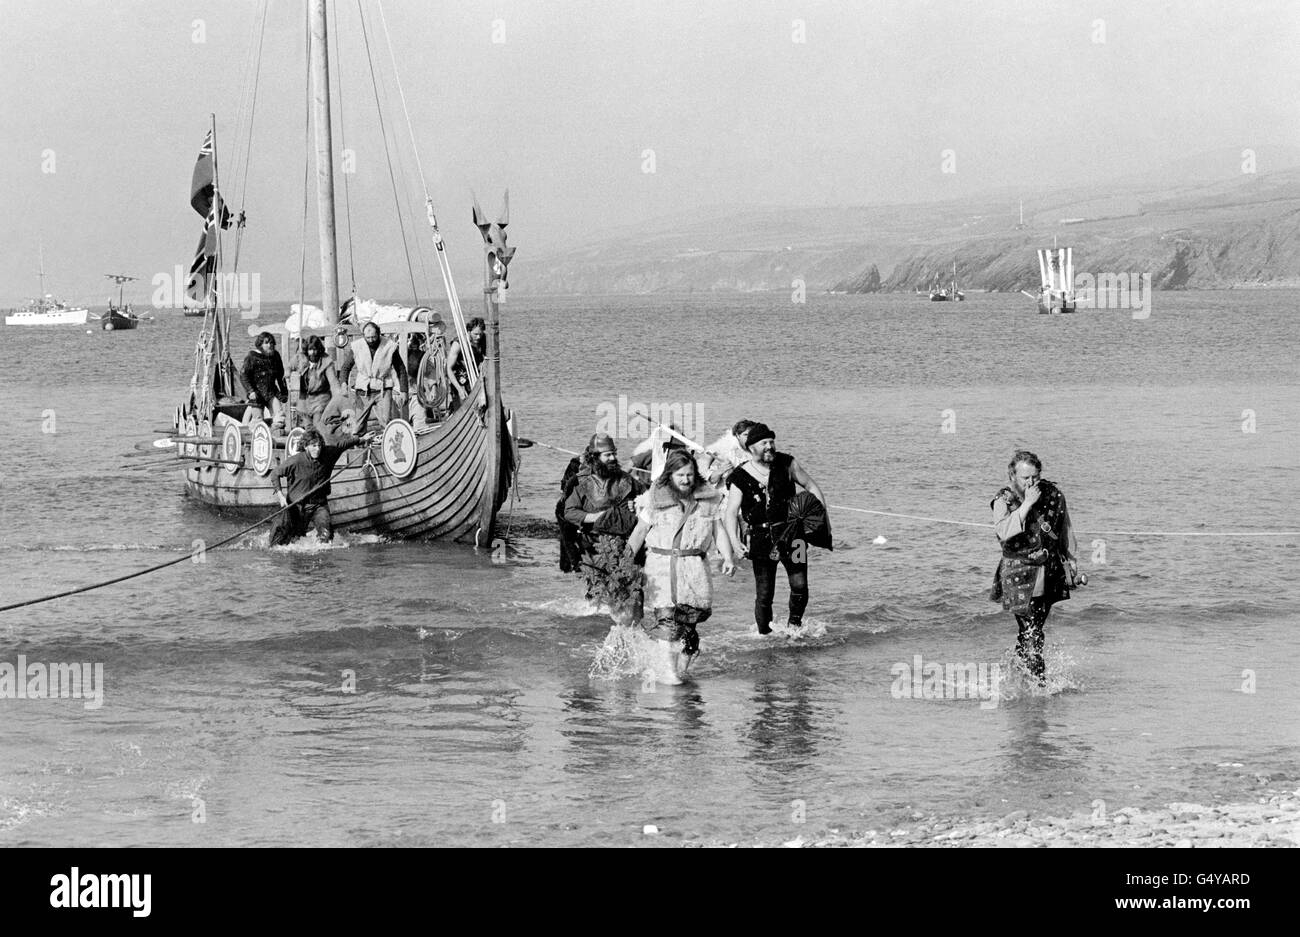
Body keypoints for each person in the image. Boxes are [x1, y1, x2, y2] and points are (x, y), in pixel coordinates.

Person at [627, 449, 737, 684]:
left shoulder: (708, 500)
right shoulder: (654, 500)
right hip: (662, 568)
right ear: (670, 476)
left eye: (689, 475)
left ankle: (682, 669)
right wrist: (624, 561)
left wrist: (728, 558)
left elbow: (719, 531)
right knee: (667, 619)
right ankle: (668, 672)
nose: (686, 480)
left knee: (689, 628)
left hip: (695, 570)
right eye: (680, 475)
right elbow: (639, 533)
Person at [724, 423, 830, 634]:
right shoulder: (739, 476)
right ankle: (764, 634)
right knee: (764, 594)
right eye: (764, 443)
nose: (770, 446)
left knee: (800, 586)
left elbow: (810, 485)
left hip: (794, 536)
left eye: (771, 442)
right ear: (751, 447)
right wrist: (735, 543)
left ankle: (794, 627)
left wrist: (820, 515)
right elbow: (730, 513)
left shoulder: (787, 463)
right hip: (761, 539)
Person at [990, 449, 1083, 684]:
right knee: (1031, 629)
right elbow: (1003, 531)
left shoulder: (1053, 494)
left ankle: (1019, 674)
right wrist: (1027, 504)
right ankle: (1040, 685)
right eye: (1025, 478)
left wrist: (1071, 560)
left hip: (1048, 570)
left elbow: (1064, 527)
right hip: (1018, 573)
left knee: (1033, 629)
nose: (1031, 482)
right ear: (1012, 476)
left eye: (1034, 477)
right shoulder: (1004, 500)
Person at [562, 433, 647, 620]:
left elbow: (648, 502)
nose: (613, 458)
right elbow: (569, 512)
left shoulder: (627, 480)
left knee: (632, 588)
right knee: (599, 591)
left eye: (614, 454)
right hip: (595, 545)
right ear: (595, 457)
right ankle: (596, 626)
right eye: (607, 455)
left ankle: (633, 627)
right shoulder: (580, 483)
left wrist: (637, 505)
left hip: (628, 543)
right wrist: (596, 516)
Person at [268, 427, 374, 546]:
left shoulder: (328, 453)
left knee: (326, 536)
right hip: (297, 506)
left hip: (319, 505)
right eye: (313, 446)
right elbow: (275, 474)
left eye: (319, 445)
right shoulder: (295, 461)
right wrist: (280, 496)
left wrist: (361, 439)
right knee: (292, 539)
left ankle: (322, 558)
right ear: (306, 446)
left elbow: (343, 445)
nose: (317, 449)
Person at [349, 321, 407, 432]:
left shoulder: (390, 346)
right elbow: (346, 368)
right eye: (368, 338)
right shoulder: (356, 347)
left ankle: (389, 445)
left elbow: (401, 369)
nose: (371, 340)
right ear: (364, 336)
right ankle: (359, 444)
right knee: (358, 424)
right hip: (363, 390)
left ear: (379, 334)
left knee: (386, 422)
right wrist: (343, 384)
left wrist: (404, 391)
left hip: (383, 389)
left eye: (374, 337)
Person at [293, 335, 344, 432]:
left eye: (315, 349)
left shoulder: (326, 361)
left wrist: (338, 398)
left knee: (317, 426)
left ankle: (318, 442)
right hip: (304, 400)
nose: (312, 352)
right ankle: (309, 443)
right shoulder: (301, 358)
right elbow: (290, 366)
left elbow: (333, 382)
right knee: (307, 426)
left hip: (321, 399)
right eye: (310, 349)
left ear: (319, 349)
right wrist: (288, 375)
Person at [240, 331, 288, 431]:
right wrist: (251, 391)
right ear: (260, 344)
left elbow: (280, 376)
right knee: (258, 420)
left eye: (271, 343)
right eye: (266, 343)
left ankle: (273, 435)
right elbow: (244, 375)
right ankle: (253, 437)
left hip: (271, 391)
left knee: (280, 417)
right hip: (256, 393)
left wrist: (284, 391)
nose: (269, 345)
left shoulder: (275, 356)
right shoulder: (252, 357)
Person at [409, 319, 452, 430]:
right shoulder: (397, 353)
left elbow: (430, 372)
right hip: (398, 393)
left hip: (415, 394)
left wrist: (433, 389)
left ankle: (421, 431)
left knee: (419, 421)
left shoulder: (423, 357)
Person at [700, 418, 757, 487]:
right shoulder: (724, 451)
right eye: (745, 435)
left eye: (752, 434)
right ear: (737, 435)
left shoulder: (758, 452)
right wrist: (722, 470)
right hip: (726, 493)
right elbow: (711, 481)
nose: (749, 438)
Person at [447, 317, 486, 406]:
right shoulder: (459, 343)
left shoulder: (484, 340)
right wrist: (459, 389)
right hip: (460, 378)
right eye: (475, 334)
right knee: (461, 406)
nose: (478, 337)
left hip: (476, 378)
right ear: (468, 332)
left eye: (480, 334)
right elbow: (448, 368)